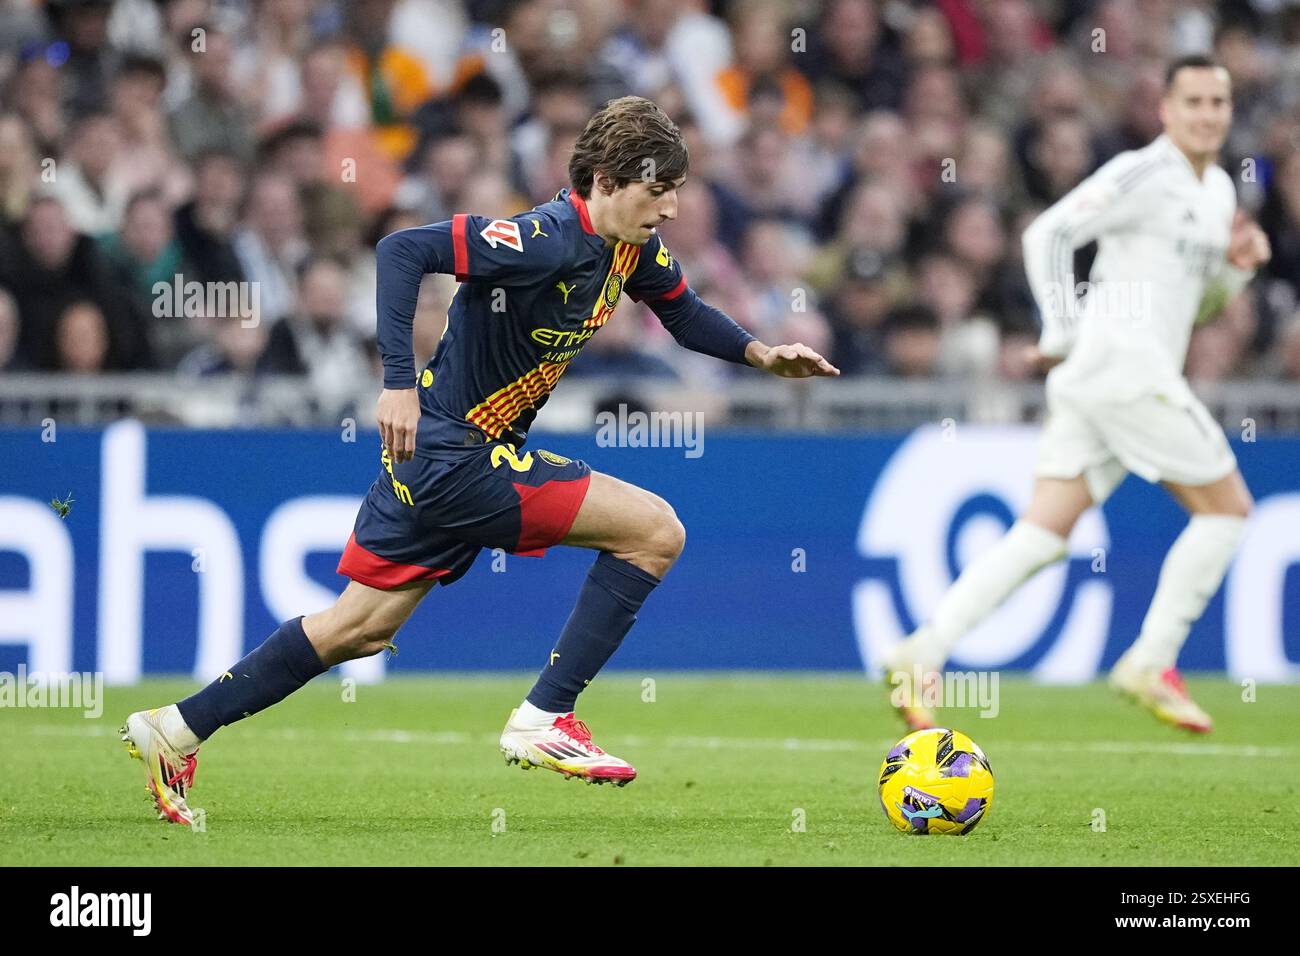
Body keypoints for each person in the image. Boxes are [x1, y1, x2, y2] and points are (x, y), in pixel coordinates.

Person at [121, 96, 838, 824]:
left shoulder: (631, 247)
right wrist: (396, 382)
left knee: (356, 628)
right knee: (656, 531)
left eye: (677, 189)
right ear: (605, 181)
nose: (675, 207)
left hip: (444, 456)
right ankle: (545, 717)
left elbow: (682, 313)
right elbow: (403, 250)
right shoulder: (544, 237)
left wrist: (759, 353)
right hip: (457, 456)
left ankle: (174, 729)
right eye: (660, 190)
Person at [883, 55, 1271, 735]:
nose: (1209, 114)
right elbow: (1049, 232)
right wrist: (1061, 328)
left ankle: (923, 651)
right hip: (1124, 369)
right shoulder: (1143, 173)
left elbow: (1196, 305)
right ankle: (1152, 660)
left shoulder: (1216, 197)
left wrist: (1235, 277)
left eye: (1219, 102)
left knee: (1041, 534)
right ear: (1166, 110)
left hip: (1116, 377)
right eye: (1195, 102)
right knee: (1229, 512)